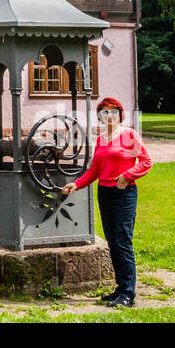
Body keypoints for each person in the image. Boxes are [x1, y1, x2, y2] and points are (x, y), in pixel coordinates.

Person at [60, 96, 152, 307]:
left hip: (124, 195)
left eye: (113, 111)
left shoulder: (129, 136)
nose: (108, 115)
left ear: (120, 115)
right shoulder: (101, 139)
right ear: (100, 116)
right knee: (112, 242)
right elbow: (95, 170)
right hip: (105, 193)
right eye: (104, 112)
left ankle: (128, 294)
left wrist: (129, 175)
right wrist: (77, 184)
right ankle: (120, 288)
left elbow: (146, 161)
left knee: (123, 242)